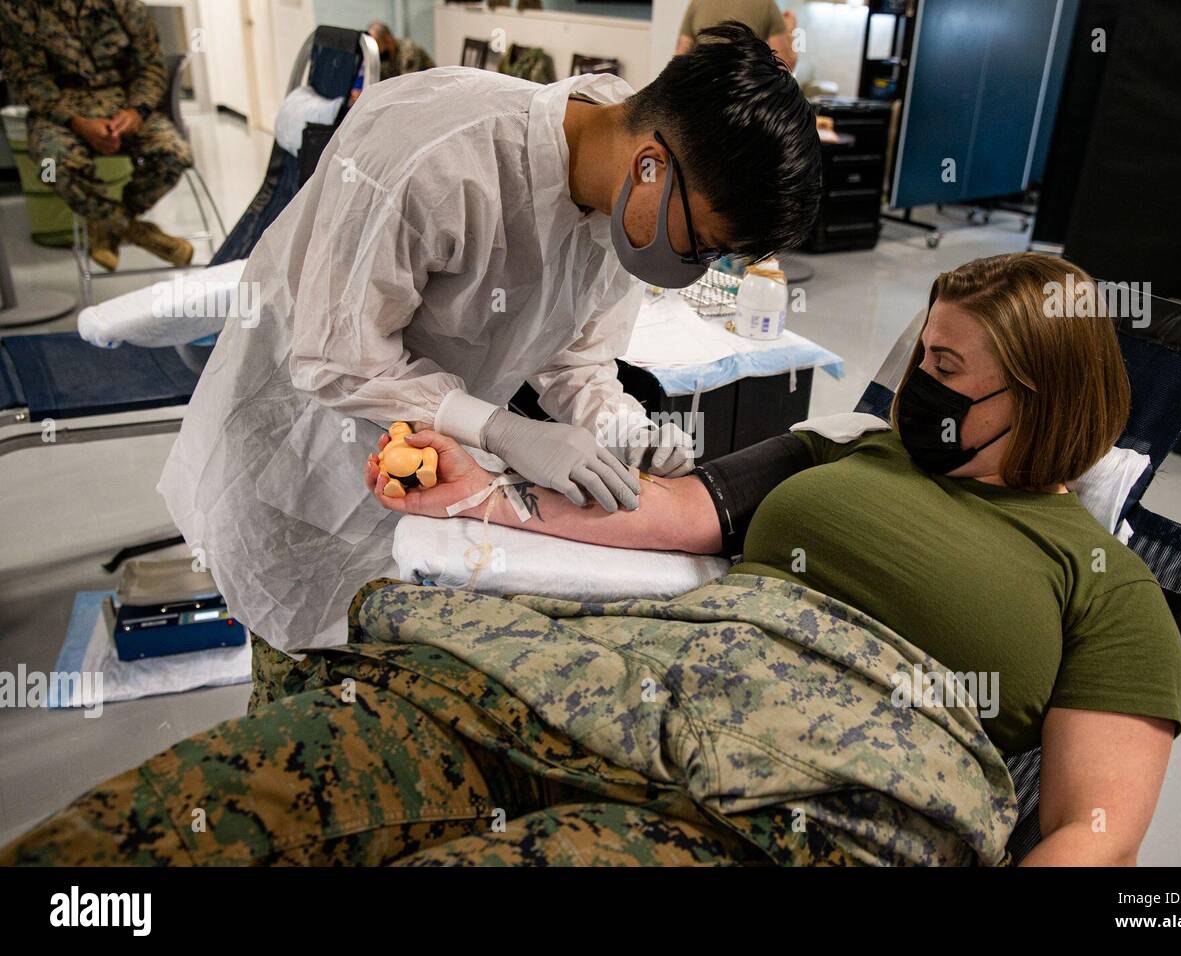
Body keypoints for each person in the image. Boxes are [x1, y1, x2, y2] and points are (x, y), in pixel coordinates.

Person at [2, 254, 1181, 868]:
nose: (913, 382)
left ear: (1042, 397)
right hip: (587, 683)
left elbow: (1092, 826)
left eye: (947, 368)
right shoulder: (846, 449)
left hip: (805, 789)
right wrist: (495, 494)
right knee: (203, 807)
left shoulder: (1105, 586)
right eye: (920, 352)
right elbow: (670, 512)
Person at [157, 22, 822, 656]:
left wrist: (624, 428)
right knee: (298, 652)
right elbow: (336, 358)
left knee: (378, 642)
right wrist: (502, 431)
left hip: (423, 463)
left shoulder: (623, 189)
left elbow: (575, 357)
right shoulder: (434, 156)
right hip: (302, 443)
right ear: (651, 166)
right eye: (700, 244)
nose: (692, 269)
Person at [0, 0, 195, 271]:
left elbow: (150, 65)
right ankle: (135, 231)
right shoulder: (18, 8)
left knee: (176, 154)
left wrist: (137, 111)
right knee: (51, 168)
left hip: (124, 105)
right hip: (59, 113)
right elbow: (27, 79)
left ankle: (105, 224)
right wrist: (79, 123)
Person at [678, 0, 797, 71]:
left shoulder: (697, 3)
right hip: (743, 103)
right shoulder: (765, 4)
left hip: (703, 99)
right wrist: (789, 30)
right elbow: (784, 65)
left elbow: (679, 60)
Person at [366, 21, 436, 81]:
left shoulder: (409, 51)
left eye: (375, 43)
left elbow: (407, 84)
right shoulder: (383, 56)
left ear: (388, 39)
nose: (373, 47)